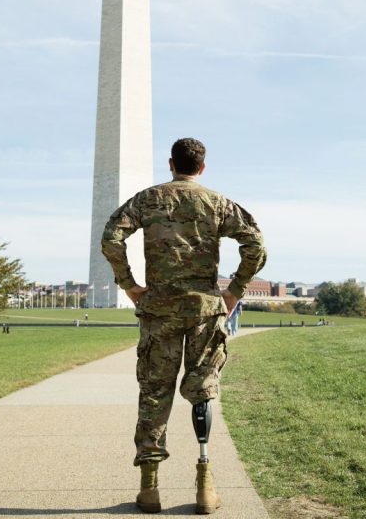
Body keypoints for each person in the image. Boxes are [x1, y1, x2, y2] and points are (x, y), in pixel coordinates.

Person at [101, 138, 266, 515]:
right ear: (202, 167)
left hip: (159, 309)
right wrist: (234, 291)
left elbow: (111, 238)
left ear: (171, 163)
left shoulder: (148, 200)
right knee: (203, 389)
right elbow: (255, 244)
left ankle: (149, 489)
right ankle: (205, 486)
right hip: (206, 310)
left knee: (155, 393)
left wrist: (128, 284)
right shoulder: (218, 203)